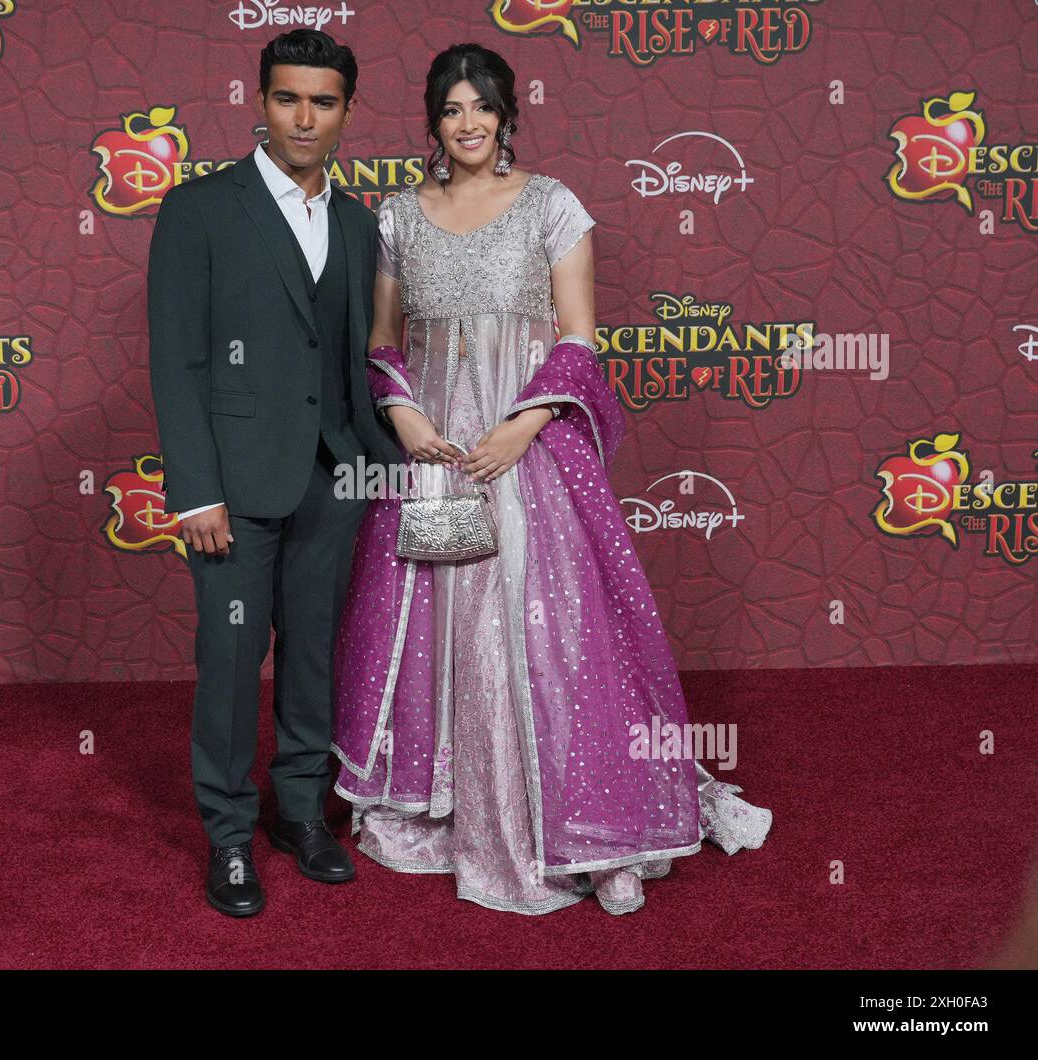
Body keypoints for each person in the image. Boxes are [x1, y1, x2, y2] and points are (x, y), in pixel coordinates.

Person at [331, 43, 772, 915]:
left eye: (482, 108)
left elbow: (577, 337)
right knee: (433, 631)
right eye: (452, 110)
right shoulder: (398, 216)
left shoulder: (552, 206)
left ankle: (585, 827)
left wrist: (520, 427)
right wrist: (407, 418)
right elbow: (383, 343)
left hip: (525, 448)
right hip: (433, 456)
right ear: (432, 121)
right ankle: (453, 806)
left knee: (552, 638)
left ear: (506, 116)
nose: (467, 124)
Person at [147, 29, 400, 918]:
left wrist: (379, 468)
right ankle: (228, 834)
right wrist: (198, 491)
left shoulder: (361, 223)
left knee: (313, 659)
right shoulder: (199, 210)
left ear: (347, 113)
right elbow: (177, 360)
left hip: (334, 481)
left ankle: (301, 813)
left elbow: (357, 364)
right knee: (229, 658)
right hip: (235, 491)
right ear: (259, 102)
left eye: (323, 102)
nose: (305, 116)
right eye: (289, 98)